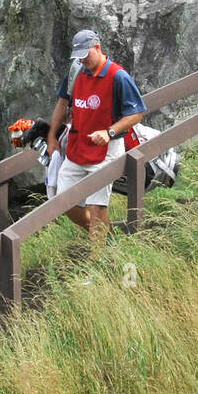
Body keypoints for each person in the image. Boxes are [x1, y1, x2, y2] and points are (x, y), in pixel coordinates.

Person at [45, 30, 146, 247]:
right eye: (79, 56)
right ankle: (108, 240)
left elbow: (136, 113)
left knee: (97, 206)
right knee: (64, 203)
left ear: (98, 47)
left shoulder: (118, 76)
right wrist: (52, 137)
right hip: (76, 148)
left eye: (86, 54)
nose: (83, 60)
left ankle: (97, 265)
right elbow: (63, 104)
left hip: (106, 152)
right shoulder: (75, 72)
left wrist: (109, 132)